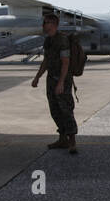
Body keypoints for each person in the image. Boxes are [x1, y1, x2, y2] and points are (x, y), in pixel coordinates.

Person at [31, 12, 78, 154]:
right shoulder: (48, 41)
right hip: (51, 79)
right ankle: (62, 139)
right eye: (44, 22)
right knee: (55, 110)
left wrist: (61, 83)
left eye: (46, 22)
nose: (44, 25)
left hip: (62, 79)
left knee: (66, 110)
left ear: (54, 24)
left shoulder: (62, 40)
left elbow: (65, 62)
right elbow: (46, 61)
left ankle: (72, 142)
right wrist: (37, 77)